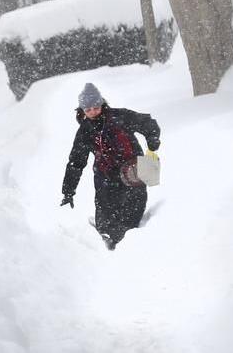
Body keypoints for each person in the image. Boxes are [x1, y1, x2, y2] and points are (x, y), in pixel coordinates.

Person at [60, 83, 161, 250]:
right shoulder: (85, 131)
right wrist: (68, 191)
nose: (92, 111)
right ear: (82, 111)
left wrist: (153, 139)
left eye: (95, 107)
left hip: (133, 169)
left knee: (133, 205)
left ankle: (131, 237)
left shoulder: (119, 116)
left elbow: (147, 122)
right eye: (88, 109)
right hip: (105, 173)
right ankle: (108, 239)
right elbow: (76, 162)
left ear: (101, 104)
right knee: (105, 209)